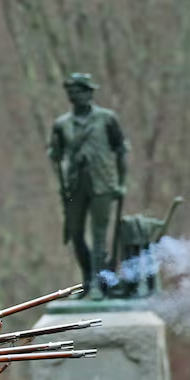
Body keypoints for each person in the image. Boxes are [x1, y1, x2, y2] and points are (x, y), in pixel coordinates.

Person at [48, 72, 127, 296]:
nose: (76, 96)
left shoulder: (106, 119)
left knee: (100, 234)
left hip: (102, 184)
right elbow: (55, 155)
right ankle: (87, 278)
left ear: (88, 93)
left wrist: (121, 182)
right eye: (72, 92)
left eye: (80, 91)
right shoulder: (62, 124)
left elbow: (121, 150)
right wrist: (61, 181)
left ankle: (96, 283)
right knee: (75, 233)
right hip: (74, 186)